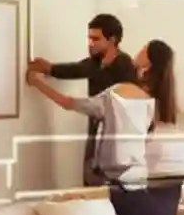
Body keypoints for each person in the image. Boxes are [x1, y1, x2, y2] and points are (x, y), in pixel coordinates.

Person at [27, 39, 179, 188]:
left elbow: (69, 103)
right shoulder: (156, 101)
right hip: (137, 177)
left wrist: (36, 82)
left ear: (148, 62)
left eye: (143, 49)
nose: (138, 51)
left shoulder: (121, 92)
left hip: (112, 178)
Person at [27, 13, 137, 185]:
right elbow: (76, 70)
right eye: (89, 38)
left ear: (112, 40)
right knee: (91, 184)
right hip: (97, 135)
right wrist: (49, 68)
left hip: (118, 143)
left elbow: (73, 97)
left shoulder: (124, 66)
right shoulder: (95, 63)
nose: (90, 43)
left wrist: (45, 75)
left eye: (96, 38)